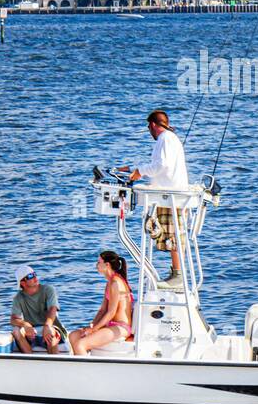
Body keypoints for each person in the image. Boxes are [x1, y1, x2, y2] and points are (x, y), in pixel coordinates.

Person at [125, 109, 190, 285]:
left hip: (172, 196)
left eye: (148, 126)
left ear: (153, 124)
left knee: (173, 235)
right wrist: (132, 169)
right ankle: (175, 273)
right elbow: (157, 164)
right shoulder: (169, 138)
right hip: (169, 194)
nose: (148, 130)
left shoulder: (165, 139)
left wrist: (140, 171)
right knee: (171, 234)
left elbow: (163, 165)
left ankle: (178, 275)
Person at [68, 250, 134, 355]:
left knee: (80, 344)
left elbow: (111, 312)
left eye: (99, 262)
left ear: (107, 265)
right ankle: (83, 365)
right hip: (109, 324)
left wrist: (95, 329)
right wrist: (92, 326)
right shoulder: (109, 282)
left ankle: (84, 371)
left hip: (120, 327)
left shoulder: (115, 283)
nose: (96, 265)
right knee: (74, 335)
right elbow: (102, 310)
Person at [9, 264, 63, 354]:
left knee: (51, 332)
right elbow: (13, 319)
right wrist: (26, 325)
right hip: (32, 332)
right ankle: (30, 361)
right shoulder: (18, 298)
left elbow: (52, 309)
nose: (34, 277)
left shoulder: (48, 290)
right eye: (30, 276)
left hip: (50, 327)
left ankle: (54, 364)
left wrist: (47, 326)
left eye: (34, 274)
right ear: (23, 283)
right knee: (16, 331)